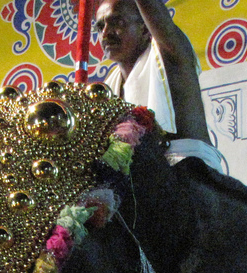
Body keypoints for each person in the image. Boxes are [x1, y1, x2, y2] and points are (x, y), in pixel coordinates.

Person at [95, 0, 223, 171]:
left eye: (117, 22)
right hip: (145, 182)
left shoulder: (170, 56)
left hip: (192, 173)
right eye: (100, 27)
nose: (105, 34)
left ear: (146, 27)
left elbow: (155, 12)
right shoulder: (107, 90)